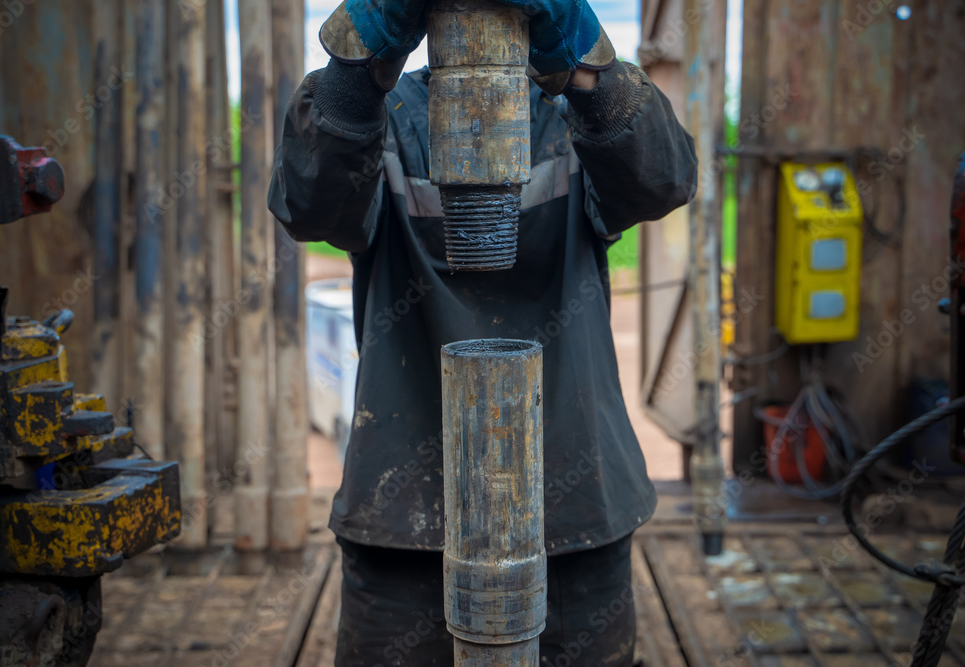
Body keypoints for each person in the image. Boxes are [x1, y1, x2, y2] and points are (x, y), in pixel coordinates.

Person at [268, 0, 697, 663]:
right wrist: (361, 56)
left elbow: (665, 176)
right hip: (406, 517)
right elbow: (306, 199)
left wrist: (584, 56)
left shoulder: (569, 118)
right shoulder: (386, 123)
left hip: (572, 510)